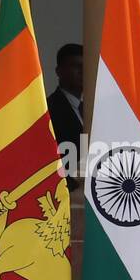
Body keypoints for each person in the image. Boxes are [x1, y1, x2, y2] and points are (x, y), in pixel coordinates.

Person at [46, 43, 84, 183]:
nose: (82, 71)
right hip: (65, 189)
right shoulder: (49, 110)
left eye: (85, 66)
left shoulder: (93, 109)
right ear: (59, 71)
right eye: (76, 66)